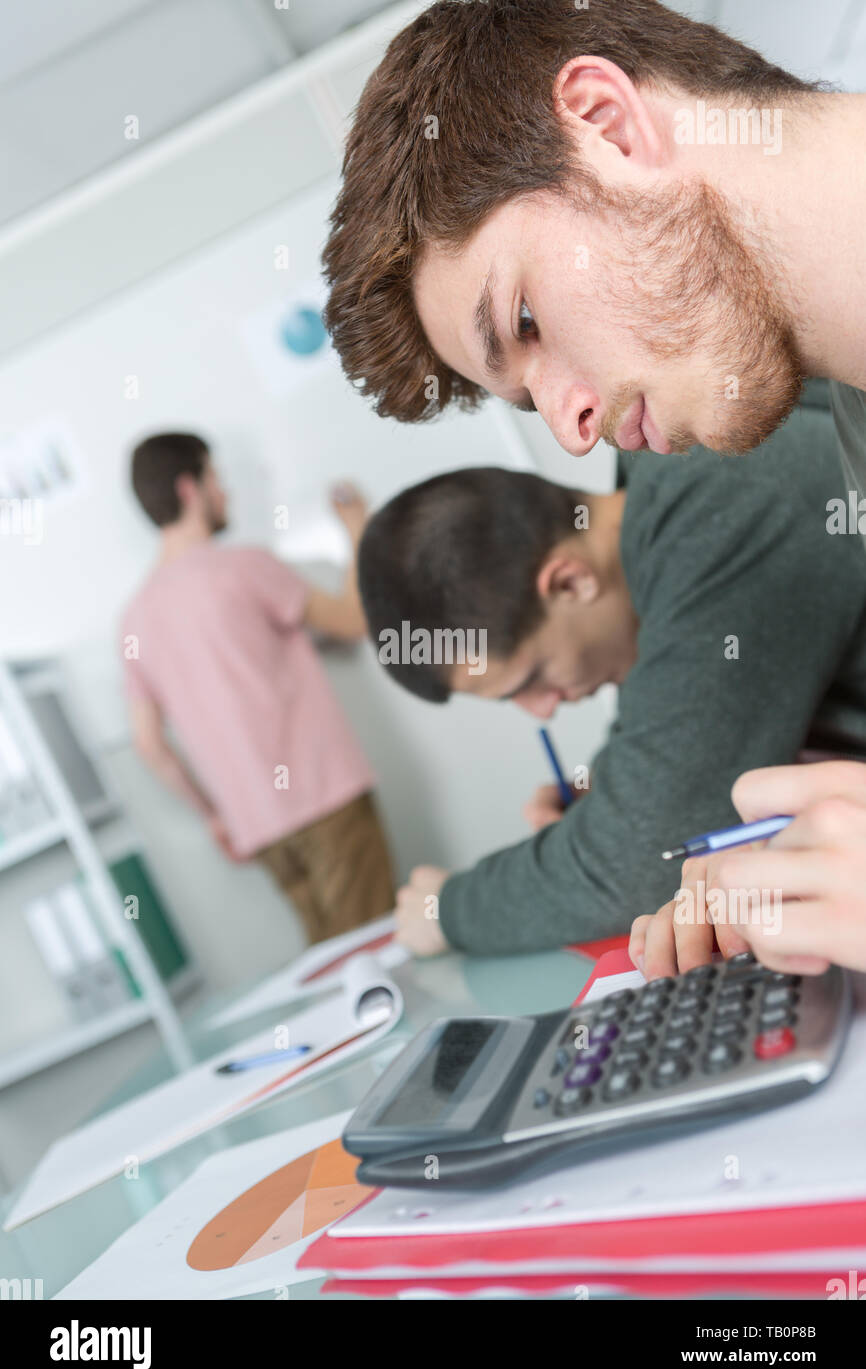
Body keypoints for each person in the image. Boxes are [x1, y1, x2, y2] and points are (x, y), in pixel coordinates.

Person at [322, 0, 866, 973]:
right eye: (529, 401)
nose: (573, 429)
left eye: (522, 318)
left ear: (608, 125)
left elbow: (631, 847)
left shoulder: (732, 486)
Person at [358, 386, 866, 957]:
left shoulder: (721, 507)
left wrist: (448, 909)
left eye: (530, 681)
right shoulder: (663, 499)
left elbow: (637, 860)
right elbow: (662, 764)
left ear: (570, 582)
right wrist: (606, 792)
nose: (544, 708)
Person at [120, 432, 395, 946]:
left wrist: (215, 817)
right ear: (188, 489)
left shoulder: (133, 621)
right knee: (380, 953)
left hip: (259, 827)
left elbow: (149, 746)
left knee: (333, 970)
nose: (225, 491)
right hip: (324, 797)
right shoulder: (244, 566)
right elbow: (354, 620)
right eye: (214, 477)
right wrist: (358, 529)